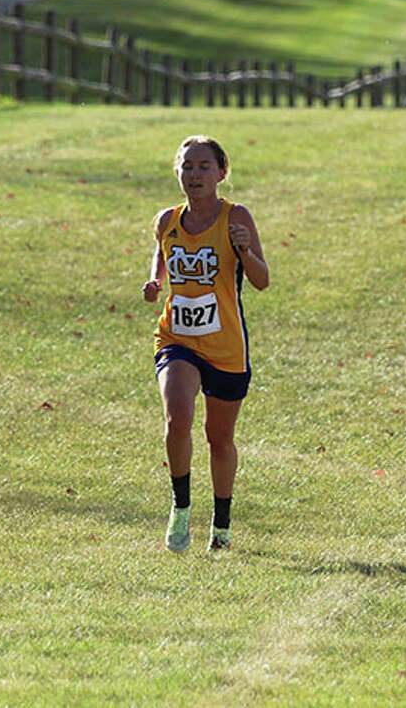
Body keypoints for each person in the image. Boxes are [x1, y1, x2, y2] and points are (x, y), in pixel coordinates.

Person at [142, 136, 269, 553]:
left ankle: (222, 526)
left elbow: (262, 280)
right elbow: (161, 258)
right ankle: (180, 509)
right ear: (176, 171)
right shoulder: (167, 220)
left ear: (221, 173)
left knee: (219, 438)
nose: (194, 175)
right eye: (187, 166)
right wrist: (155, 282)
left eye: (203, 167)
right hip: (177, 339)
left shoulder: (237, 217)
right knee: (178, 418)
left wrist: (245, 251)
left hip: (226, 347)